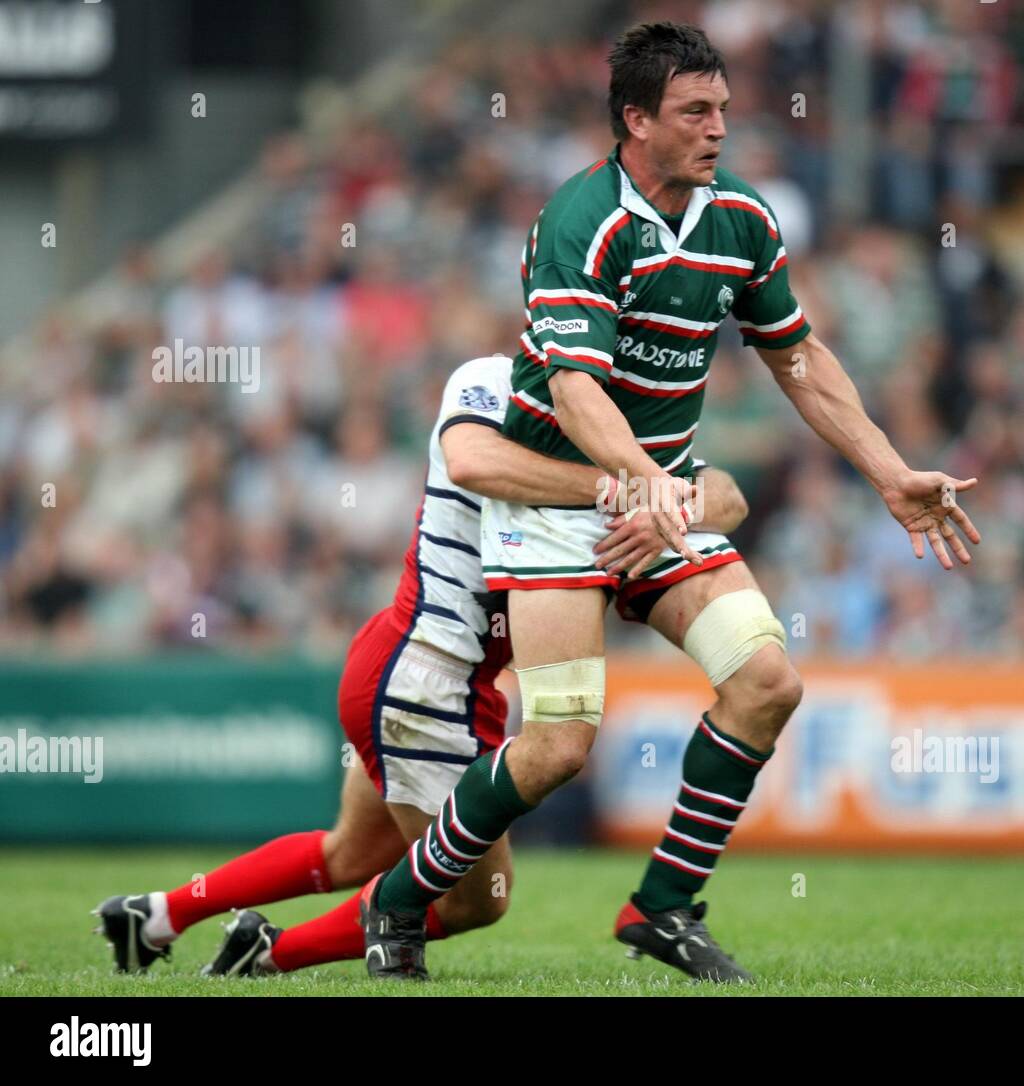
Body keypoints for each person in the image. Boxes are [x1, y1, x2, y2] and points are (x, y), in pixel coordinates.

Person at [362, 22, 980, 984]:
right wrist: (646, 486)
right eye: (696, 111)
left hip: (658, 495)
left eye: (724, 108)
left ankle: (661, 908)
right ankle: (398, 902)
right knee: (560, 746)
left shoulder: (743, 220)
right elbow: (573, 388)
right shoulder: (580, 219)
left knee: (768, 684)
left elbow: (799, 359)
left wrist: (889, 468)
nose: (719, 128)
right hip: (558, 503)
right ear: (636, 120)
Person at [93, 353, 748, 976]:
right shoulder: (493, 381)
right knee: (476, 899)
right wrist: (624, 490)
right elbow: (470, 460)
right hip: (426, 675)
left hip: (424, 670)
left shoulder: (623, 415)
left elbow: (728, 496)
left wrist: (671, 499)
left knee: (353, 851)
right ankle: (268, 957)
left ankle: (154, 917)